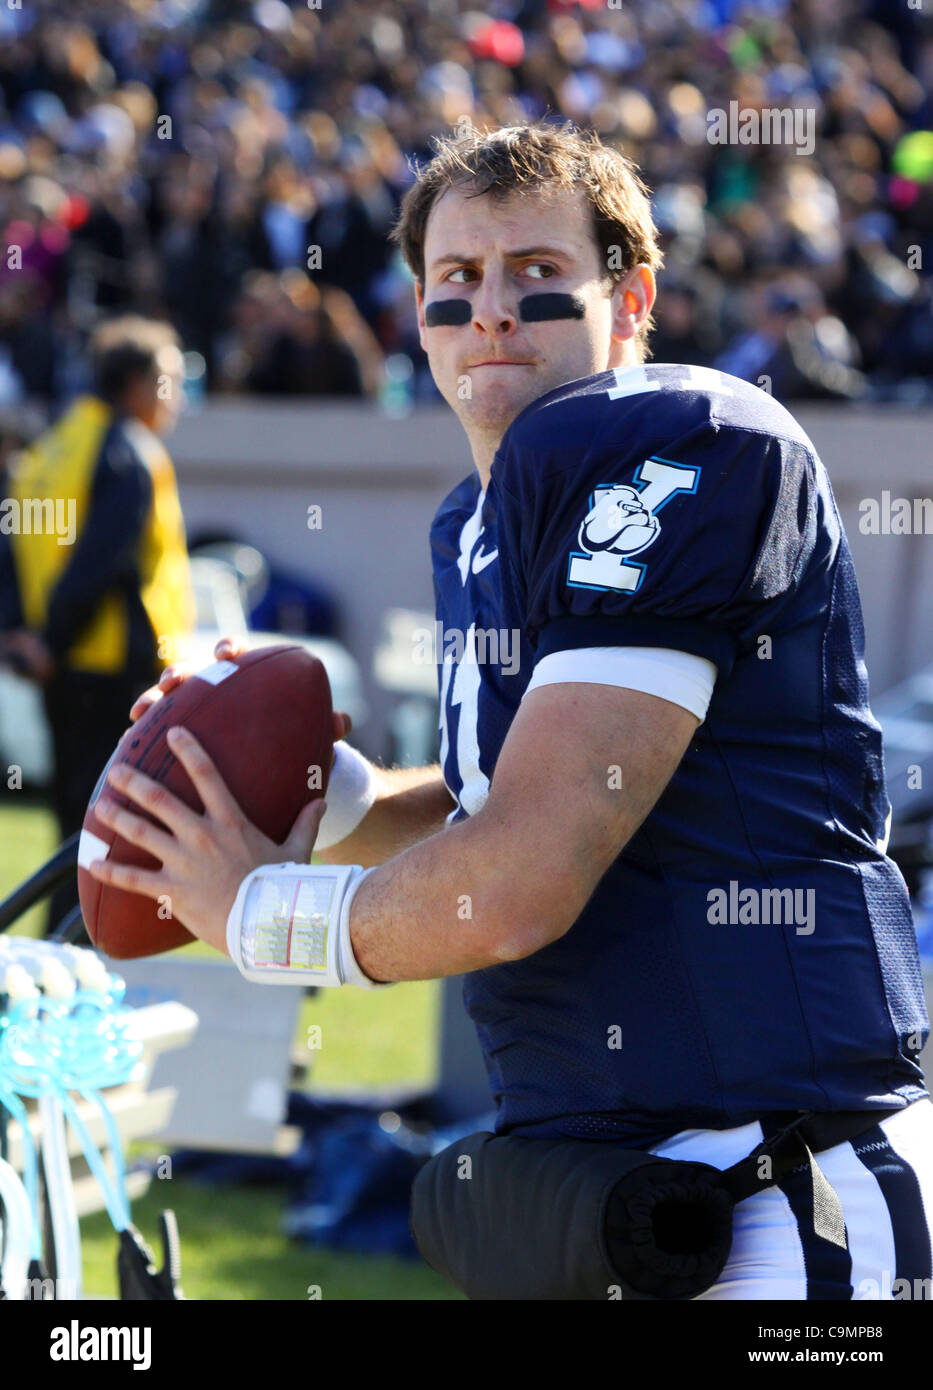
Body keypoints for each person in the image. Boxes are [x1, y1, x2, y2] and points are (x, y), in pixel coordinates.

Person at [88, 124, 931, 1301]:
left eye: (538, 276)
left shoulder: (679, 440)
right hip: (607, 1192)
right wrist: (329, 797)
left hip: (778, 1189)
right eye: (456, 281)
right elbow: (496, 795)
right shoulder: (475, 520)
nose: (490, 312)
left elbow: (528, 870)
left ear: (629, 299)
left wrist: (261, 915)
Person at [0, 316, 194, 929]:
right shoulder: (128, 449)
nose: (177, 399)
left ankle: (50, 962)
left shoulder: (49, 447)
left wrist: (21, 637)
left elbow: (10, 546)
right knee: (108, 836)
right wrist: (52, 640)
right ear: (137, 384)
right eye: (171, 382)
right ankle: (70, 969)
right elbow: (101, 562)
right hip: (113, 670)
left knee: (74, 825)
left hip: (58, 669)